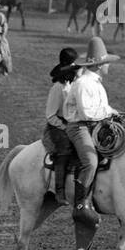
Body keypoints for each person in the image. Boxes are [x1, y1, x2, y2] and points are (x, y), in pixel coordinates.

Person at [62, 35, 120, 230]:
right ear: (99, 65)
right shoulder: (85, 83)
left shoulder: (95, 82)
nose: (108, 66)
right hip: (80, 127)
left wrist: (113, 112)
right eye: (106, 63)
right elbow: (87, 112)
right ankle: (80, 205)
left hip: (92, 125)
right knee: (90, 160)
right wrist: (108, 113)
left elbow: (101, 107)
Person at [42, 47, 80, 202]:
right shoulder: (57, 88)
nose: (77, 73)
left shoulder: (71, 86)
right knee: (64, 149)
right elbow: (50, 116)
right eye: (74, 69)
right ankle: (59, 190)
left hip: (71, 122)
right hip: (57, 126)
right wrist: (65, 127)